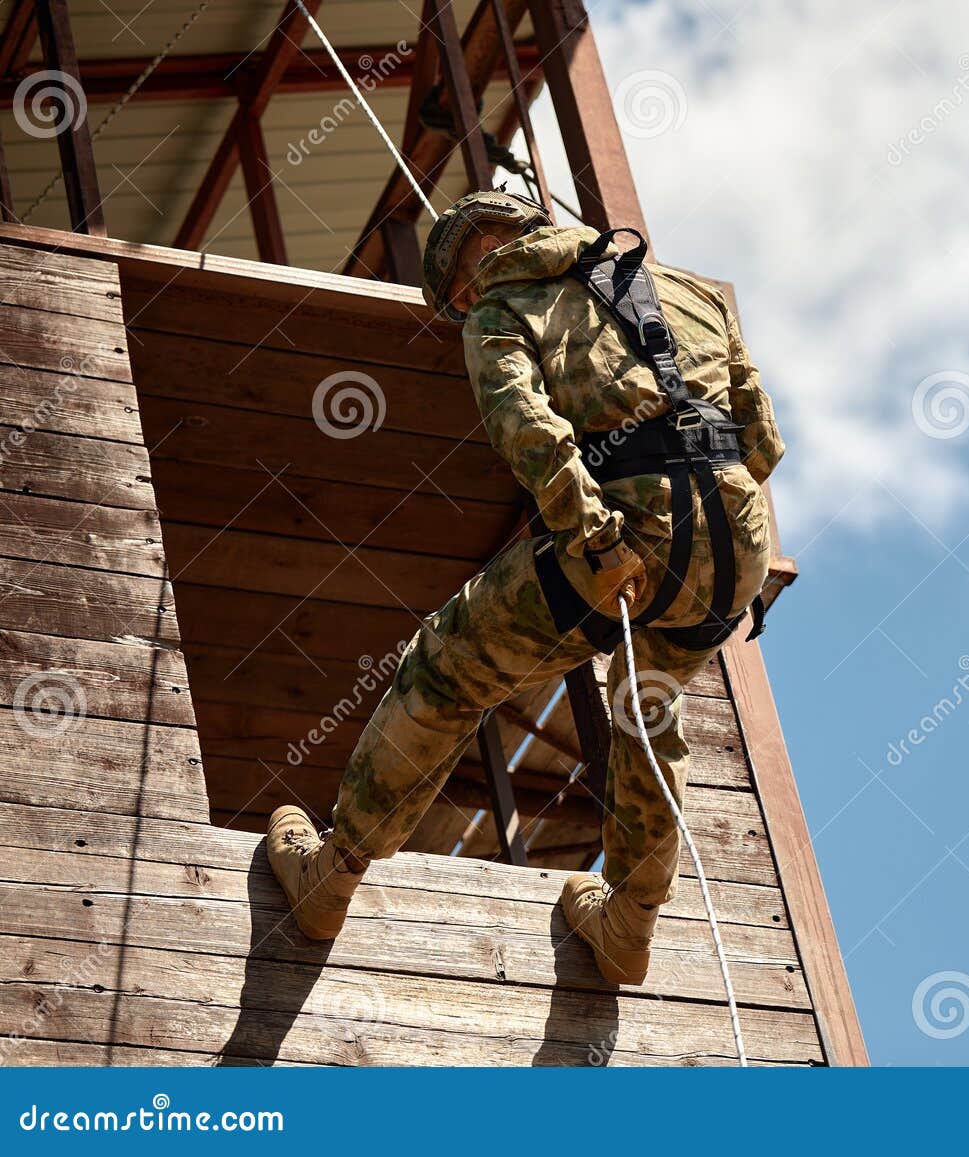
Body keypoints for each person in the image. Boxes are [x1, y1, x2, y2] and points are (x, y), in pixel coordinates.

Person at [264, 190, 784, 984]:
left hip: (621, 534)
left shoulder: (499, 312)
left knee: (447, 668)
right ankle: (630, 925)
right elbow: (763, 435)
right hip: (735, 545)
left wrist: (597, 532)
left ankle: (330, 877)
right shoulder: (686, 288)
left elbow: (526, 430)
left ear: (461, 285)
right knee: (647, 708)